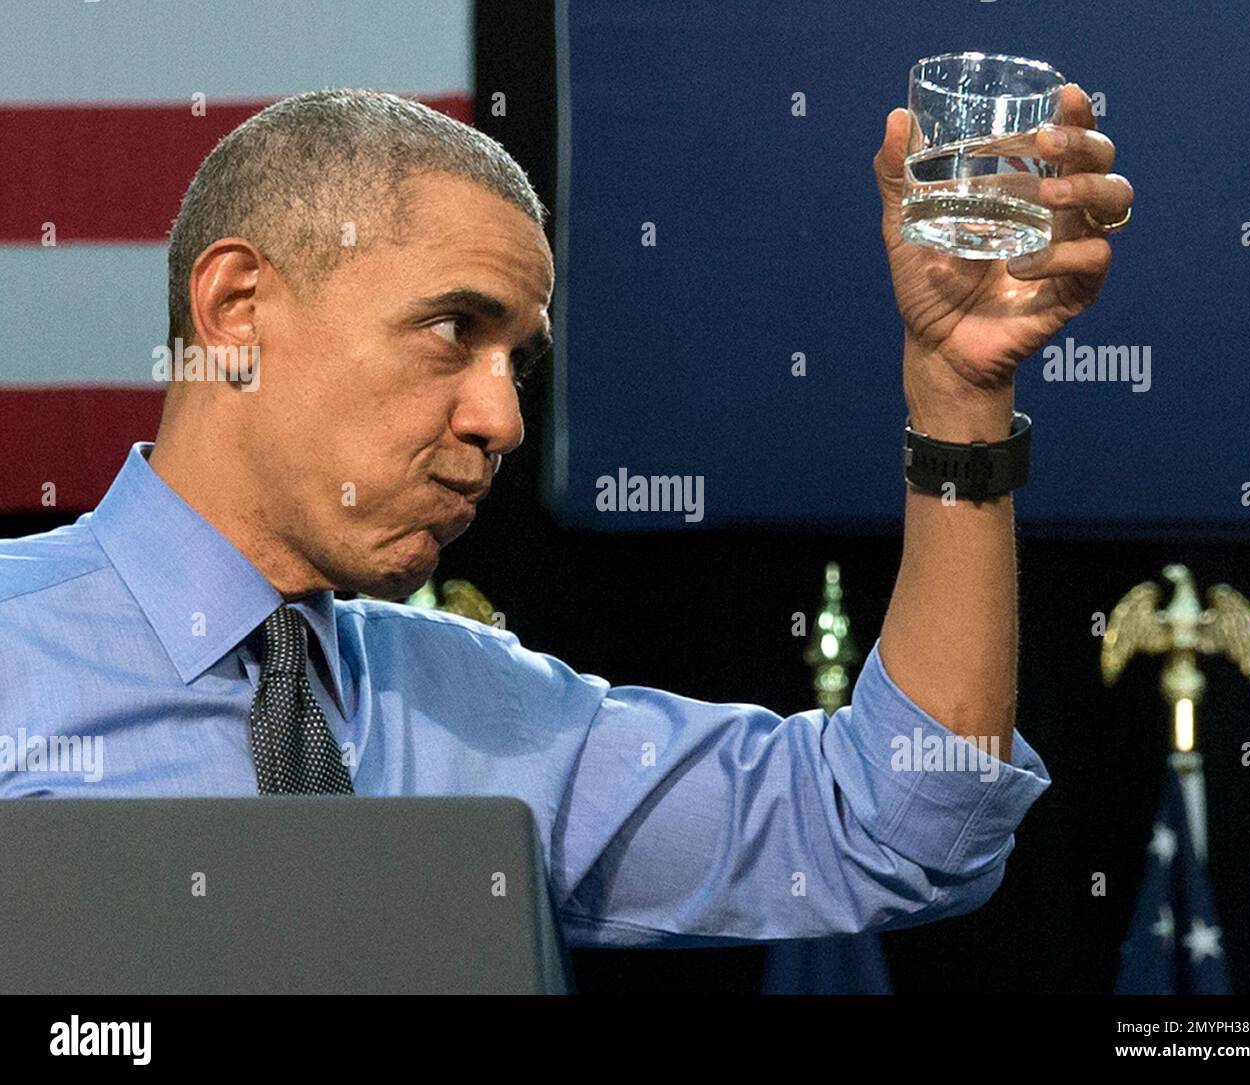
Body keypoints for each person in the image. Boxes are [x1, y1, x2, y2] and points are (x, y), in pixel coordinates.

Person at [0, 87, 1132, 947]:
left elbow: (891, 828)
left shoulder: (488, 706)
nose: (500, 415)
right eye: (453, 326)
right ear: (236, 305)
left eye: (519, 363)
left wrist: (957, 395)